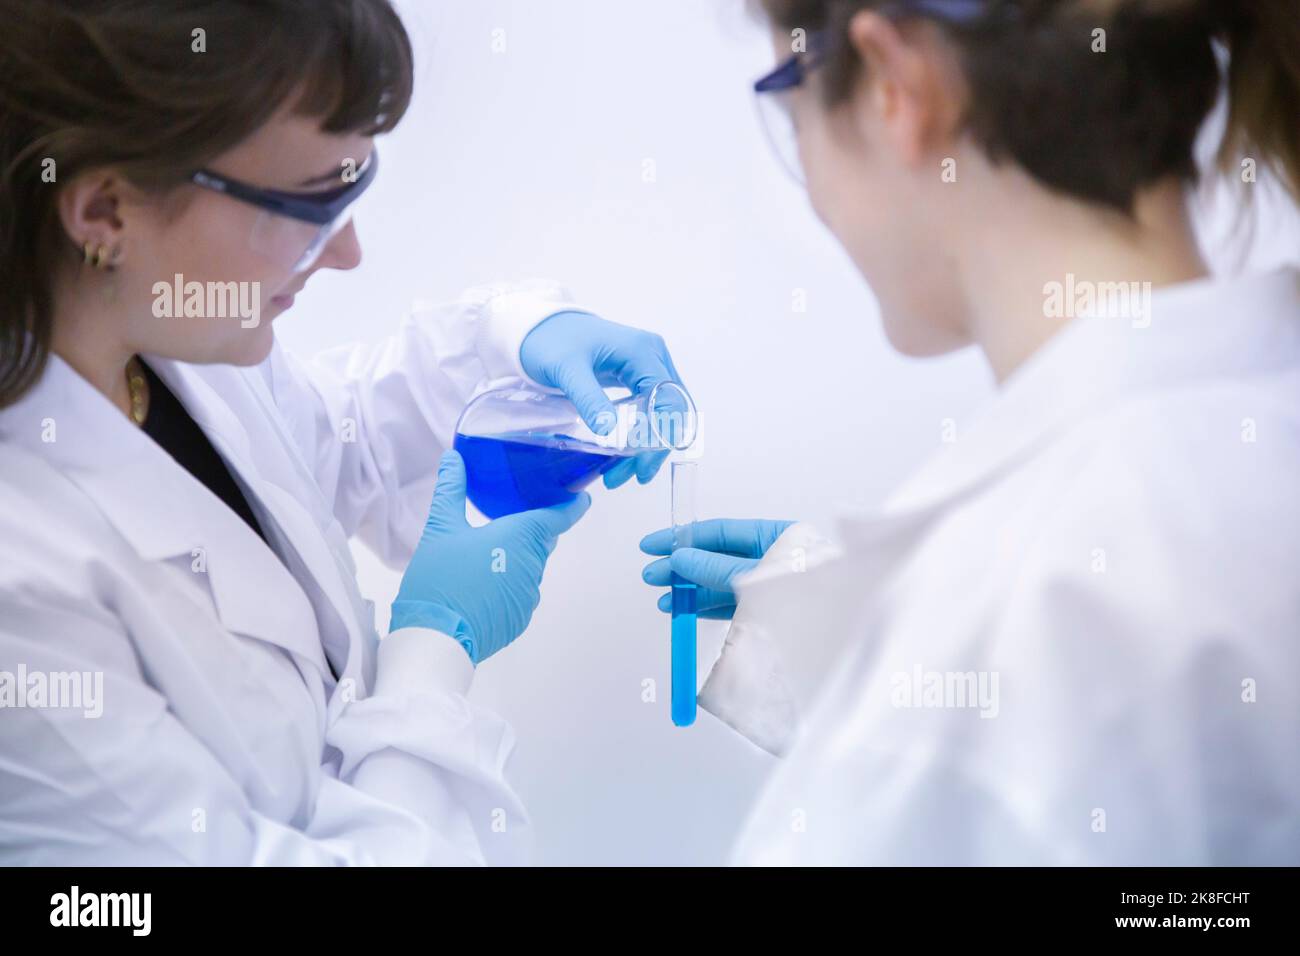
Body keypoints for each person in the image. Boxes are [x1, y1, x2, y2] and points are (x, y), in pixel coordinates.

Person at [0, 0, 686, 864]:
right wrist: (431, 660)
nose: (348, 250)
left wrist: (511, 342)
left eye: (354, 184)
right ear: (104, 212)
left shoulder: (167, 343)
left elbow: (332, 442)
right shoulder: (22, 604)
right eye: (313, 200)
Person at [642, 0, 1300, 864]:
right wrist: (873, 646)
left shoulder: (1007, 630)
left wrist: (909, 688)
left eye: (787, 93)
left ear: (894, 85)